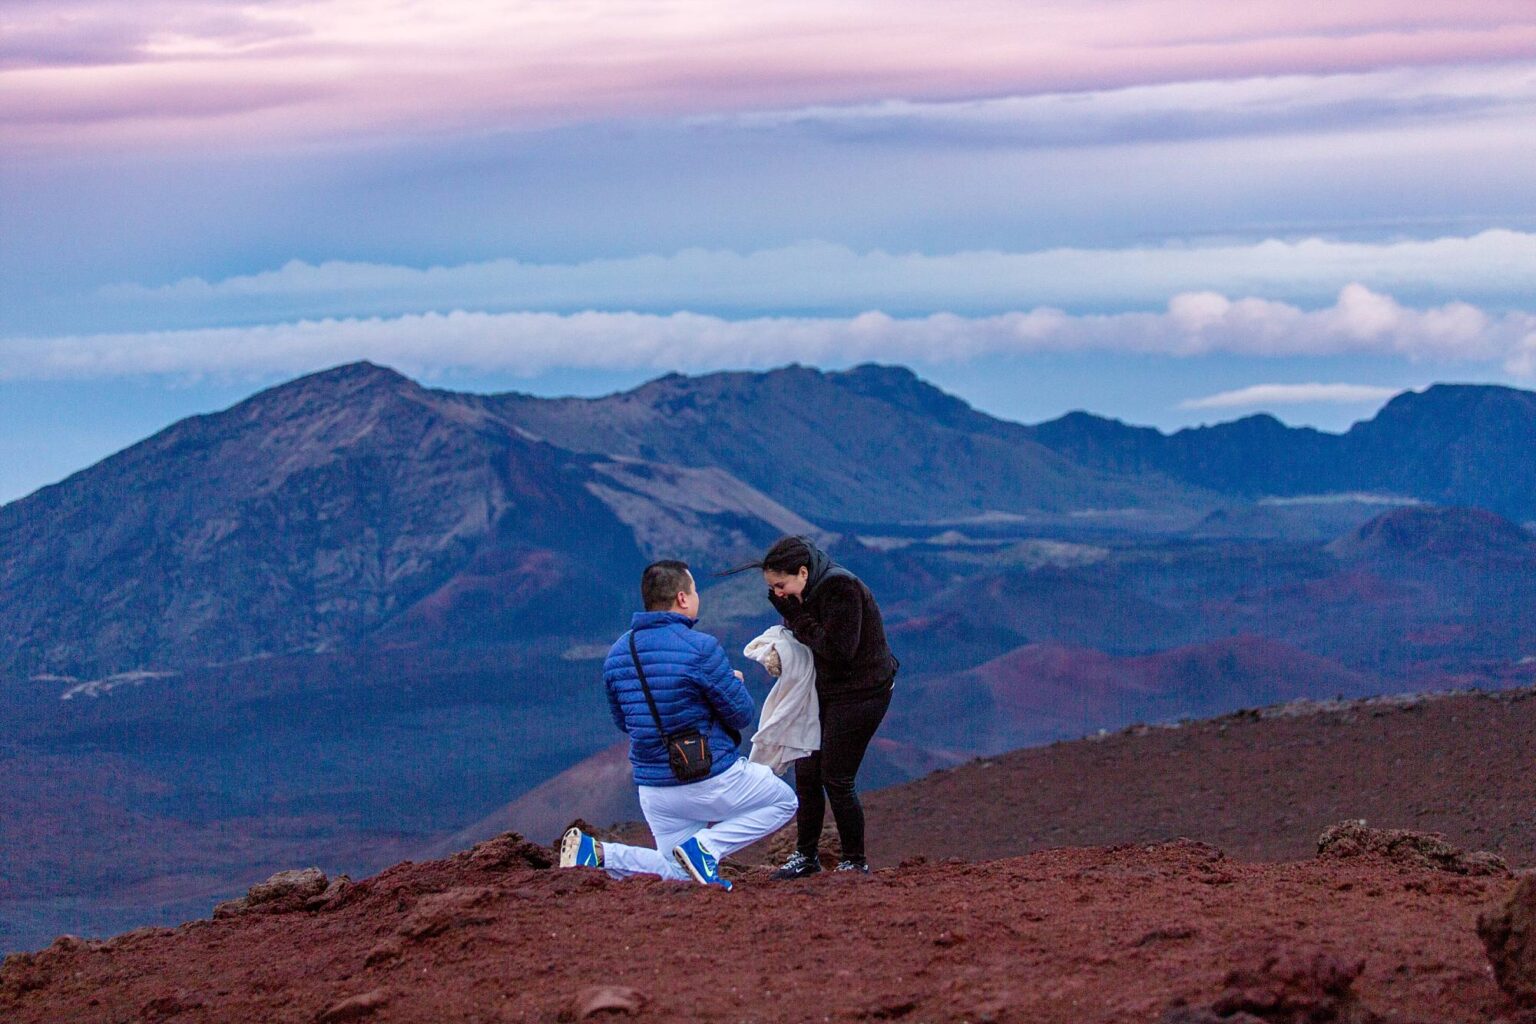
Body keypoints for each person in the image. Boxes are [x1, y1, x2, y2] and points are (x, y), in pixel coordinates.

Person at [559, 559, 797, 889]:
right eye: (695, 590)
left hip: (655, 788)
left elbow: (623, 720)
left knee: (679, 871)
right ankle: (707, 848)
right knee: (783, 801)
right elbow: (741, 715)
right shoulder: (701, 647)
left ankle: (597, 855)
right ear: (682, 598)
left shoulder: (617, 653)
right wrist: (733, 683)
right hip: (709, 777)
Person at [730, 536, 898, 877]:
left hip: (862, 692)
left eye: (780, 585)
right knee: (806, 771)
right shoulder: (806, 590)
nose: (777, 593)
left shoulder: (841, 589)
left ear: (803, 572)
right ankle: (806, 857)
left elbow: (838, 651)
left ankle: (854, 861)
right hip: (826, 691)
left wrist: (797, 616)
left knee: (836, 776)